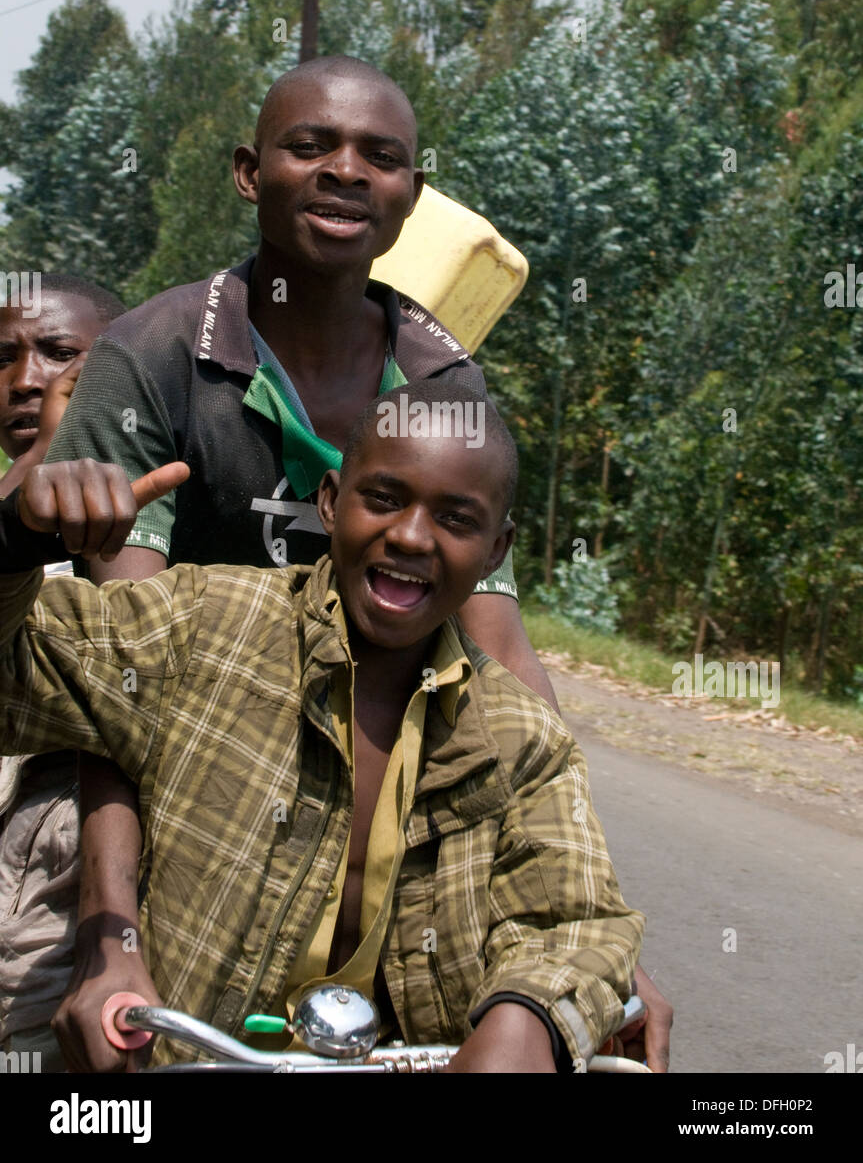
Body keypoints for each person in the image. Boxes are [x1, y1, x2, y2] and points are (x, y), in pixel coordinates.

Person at [45, 55, 671, 1069]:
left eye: (379, 158)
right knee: (70, 1028)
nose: (345, 172)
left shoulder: (443, 376)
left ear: (410, 199)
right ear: (251, 172)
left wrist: (588, 942)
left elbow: (501, 660)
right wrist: (108, 935)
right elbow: (128, 694)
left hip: (372, 777)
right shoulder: (151, 357)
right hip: (172, 765)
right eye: (311, 147)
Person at [0, 383, 644, 1072]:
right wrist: (12, 539)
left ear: (495, 550)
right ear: (331, 502)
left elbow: (577, 918)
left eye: (456, 520)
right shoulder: (202, 625)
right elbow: (18, 671)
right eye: (385, 499)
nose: (410, 536)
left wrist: (527, 1019)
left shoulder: (521, 740)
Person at [0, 273, 125, 1072]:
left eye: (57, 356)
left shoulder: (143, 523)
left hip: (72, 942)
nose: (24, 380)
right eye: (3, 358)